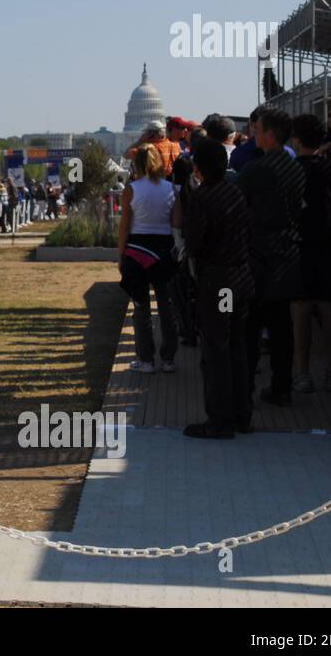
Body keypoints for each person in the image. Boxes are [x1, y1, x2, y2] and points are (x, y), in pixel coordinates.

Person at [182, 139, 255, 439]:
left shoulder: (202, 198)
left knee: (215, 350)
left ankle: (219, 419)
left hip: (218, 281)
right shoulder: (236, 192)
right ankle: (242, 414)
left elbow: (195, 244)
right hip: (242, 277)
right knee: (239, 347)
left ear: (198, 168)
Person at [237, 108, 305, 407]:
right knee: (281, 327)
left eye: (258, 128)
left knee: (250, 328)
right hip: (289, 253)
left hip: (259, 256)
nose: (254, 133)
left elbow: (238, 205)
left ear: (270, 134)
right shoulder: (295, 168)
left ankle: (245, 389)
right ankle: (282, 387)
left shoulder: (258, 170)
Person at [291, 114, 331, 393]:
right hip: (330, 242)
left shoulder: (291, 171)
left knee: (301, 307)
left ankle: (302, 373)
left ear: (297, 140)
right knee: (328, 307)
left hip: (299, 244)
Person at [117, 144, 181, 373]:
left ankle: (146, 359)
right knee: (167, 306)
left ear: (136, 165)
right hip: (163, 249)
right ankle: (169, 359)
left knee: (141, 307)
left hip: (136, 249)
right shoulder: (171, 188)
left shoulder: (131, 189)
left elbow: (125, 225)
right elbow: (176, 224)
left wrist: (120, 254)